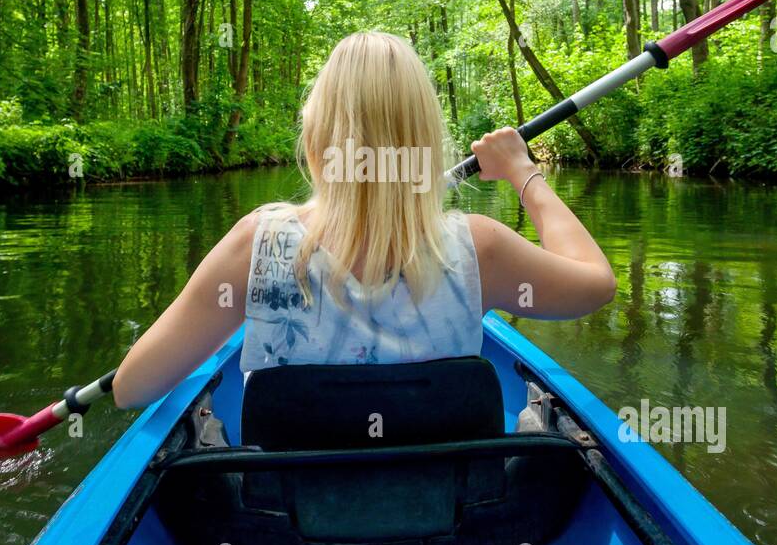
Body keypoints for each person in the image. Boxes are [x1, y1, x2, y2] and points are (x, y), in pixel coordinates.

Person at [113, 32, 615, 408]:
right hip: (445, 531)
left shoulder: (254, 247)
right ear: (424, 140)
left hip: (285, 533)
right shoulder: (478, 249)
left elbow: (131, 388)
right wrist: (523, 173)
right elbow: (596, 285)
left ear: (315, 140)